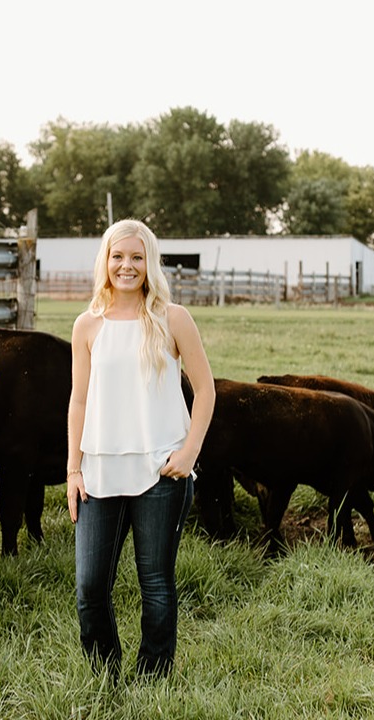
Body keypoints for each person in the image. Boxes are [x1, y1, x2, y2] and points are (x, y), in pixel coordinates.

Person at [66, 218, 215, 679]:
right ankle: (107, 677)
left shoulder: (173, 319)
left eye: (136, 257)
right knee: (90, 587)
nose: (126, 266)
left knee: (155, 583)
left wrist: (189, 453)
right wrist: (74, 469)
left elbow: (206, 390)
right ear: (105, 261)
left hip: (160, 471)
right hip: (100, 472)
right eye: (117, 256)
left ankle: (152, 679)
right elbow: (79, 399)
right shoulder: (87, 325)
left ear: (149, 263)